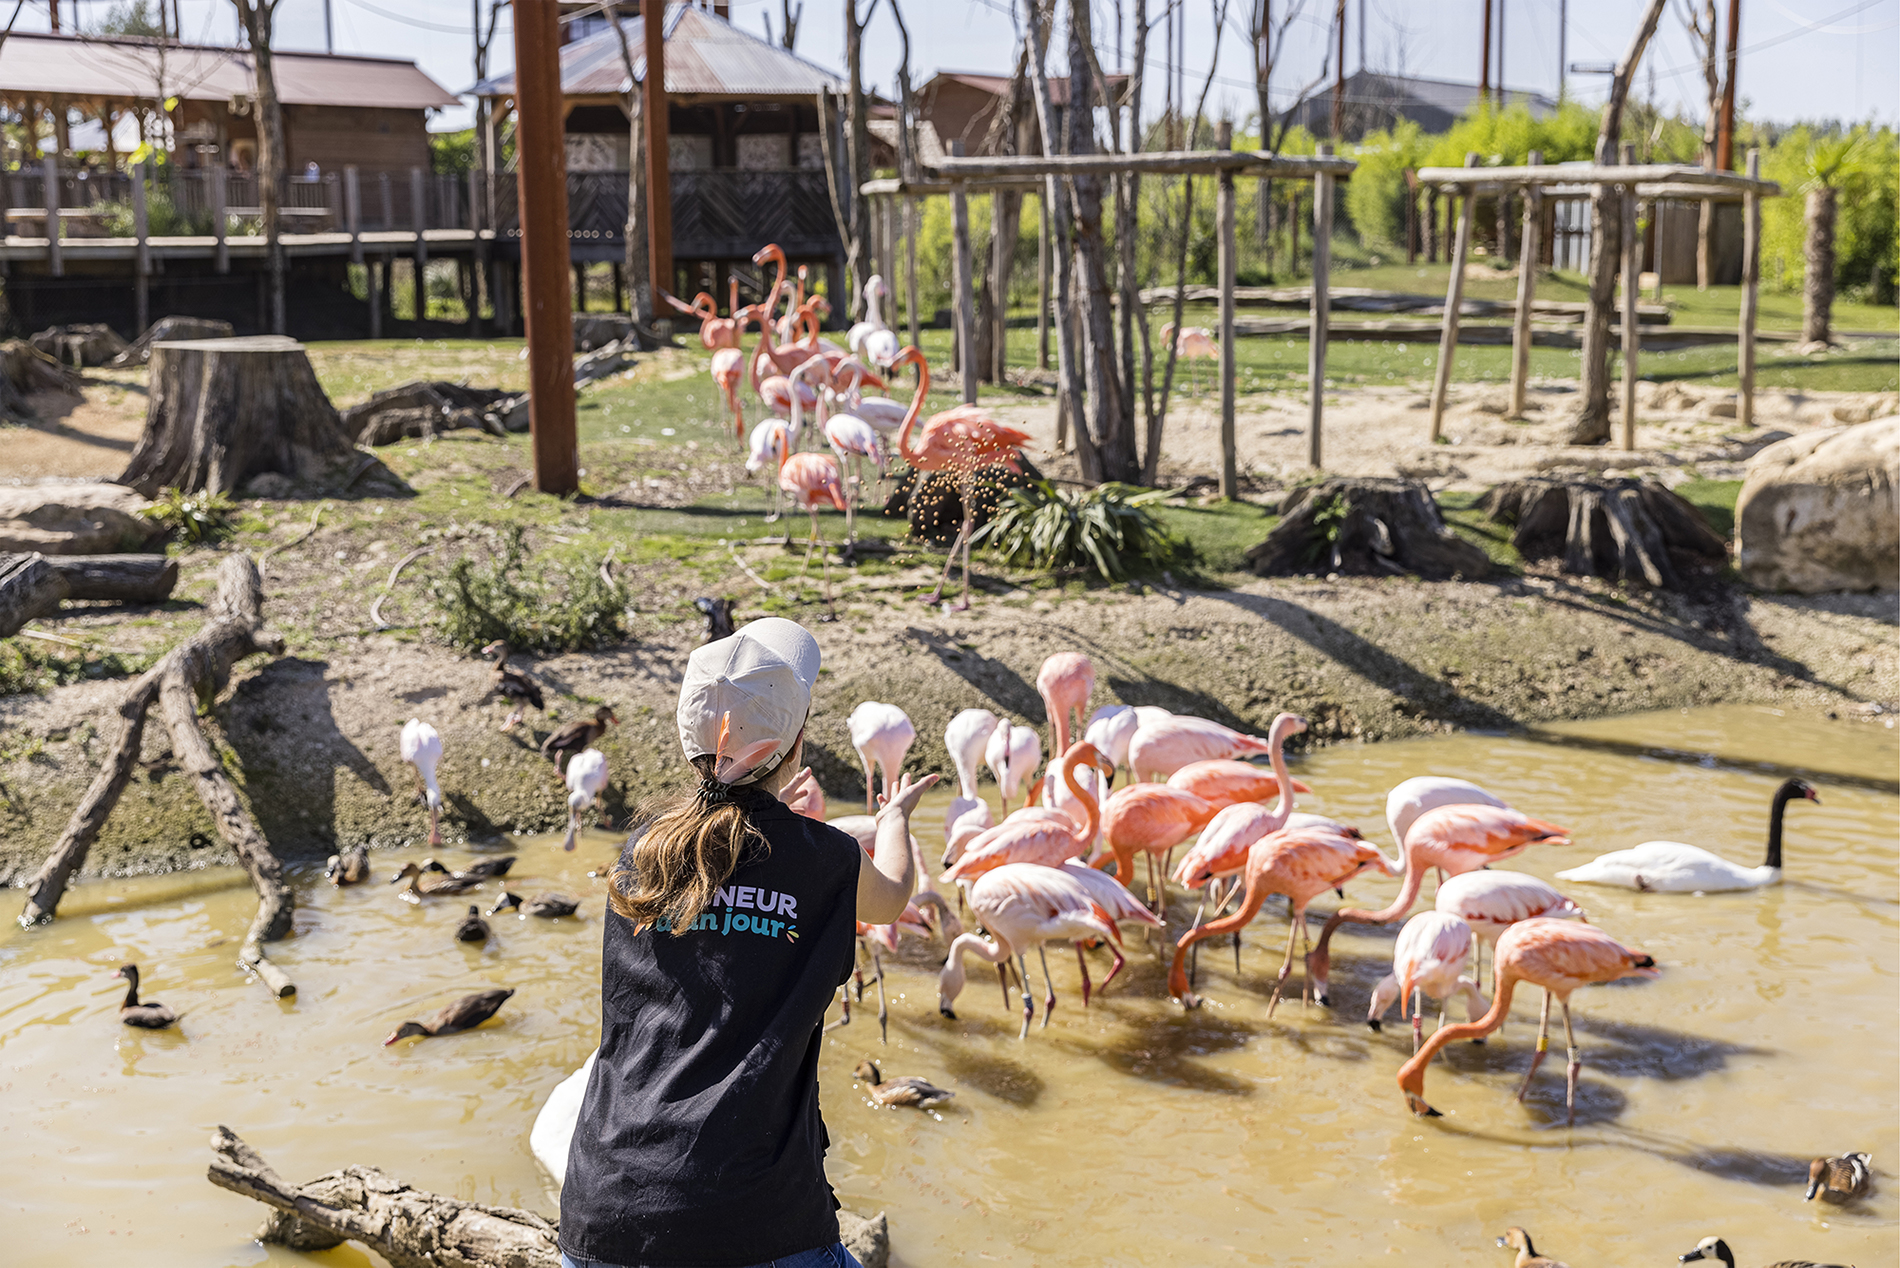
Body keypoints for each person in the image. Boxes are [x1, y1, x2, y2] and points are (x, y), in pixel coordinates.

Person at [560, 617, 932, 1268]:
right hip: (752, 1220)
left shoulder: (641, 851)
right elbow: (895, 893)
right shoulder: (824, 860)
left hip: (603, 1211)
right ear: (795, 743)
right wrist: (894, 820)